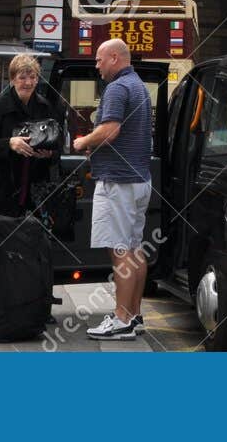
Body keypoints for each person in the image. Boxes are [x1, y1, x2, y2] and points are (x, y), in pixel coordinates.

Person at [72, 38, 152, 340]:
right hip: (138, 179)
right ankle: (134, 316)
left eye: (98, 59)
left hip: (119, 181)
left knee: (120, 251)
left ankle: (120, 320)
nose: (96, 65)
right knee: (134, 249)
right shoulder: (139, 86)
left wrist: (83, 142)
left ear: (115, 58)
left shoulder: (118, 88)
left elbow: (110, 130)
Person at [0, 54, 58, 332]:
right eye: (22, 76)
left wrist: (48, 152)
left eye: (32, 76)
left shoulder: (44, 105)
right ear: (12, 78)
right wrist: (8, 144)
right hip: (2, 187)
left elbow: (55, 144)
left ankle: (36, 308)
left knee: (36, 248)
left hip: (34, 186)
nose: (28, 81)